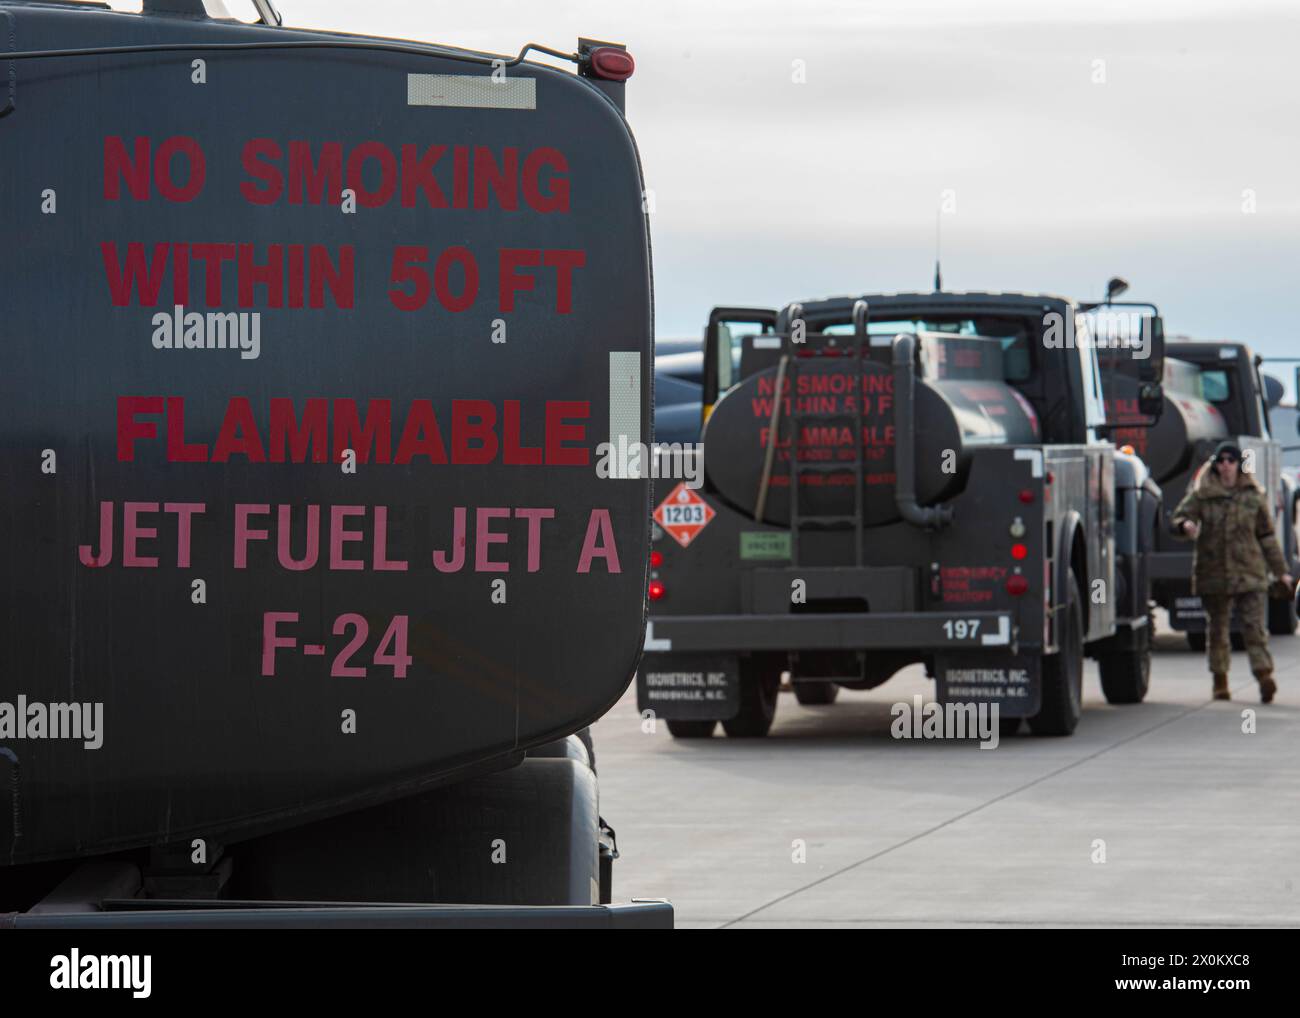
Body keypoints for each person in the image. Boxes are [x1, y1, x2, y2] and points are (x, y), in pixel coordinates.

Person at [1171, 441, 1292, 702]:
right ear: (1215, 466)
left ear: (1239, 465)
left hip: (1250, 573)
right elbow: (1179, 519)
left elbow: (1267, 537)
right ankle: (1220, 681)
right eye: (1221, 461)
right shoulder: (1202, 495)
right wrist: (1186, 526)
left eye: (1231, 461)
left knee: (1254, 629)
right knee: (1217, 630)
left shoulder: (1252, 495)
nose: (1226, 465)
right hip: (1214, 574)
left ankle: (1264, 677)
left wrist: (1281, 572)